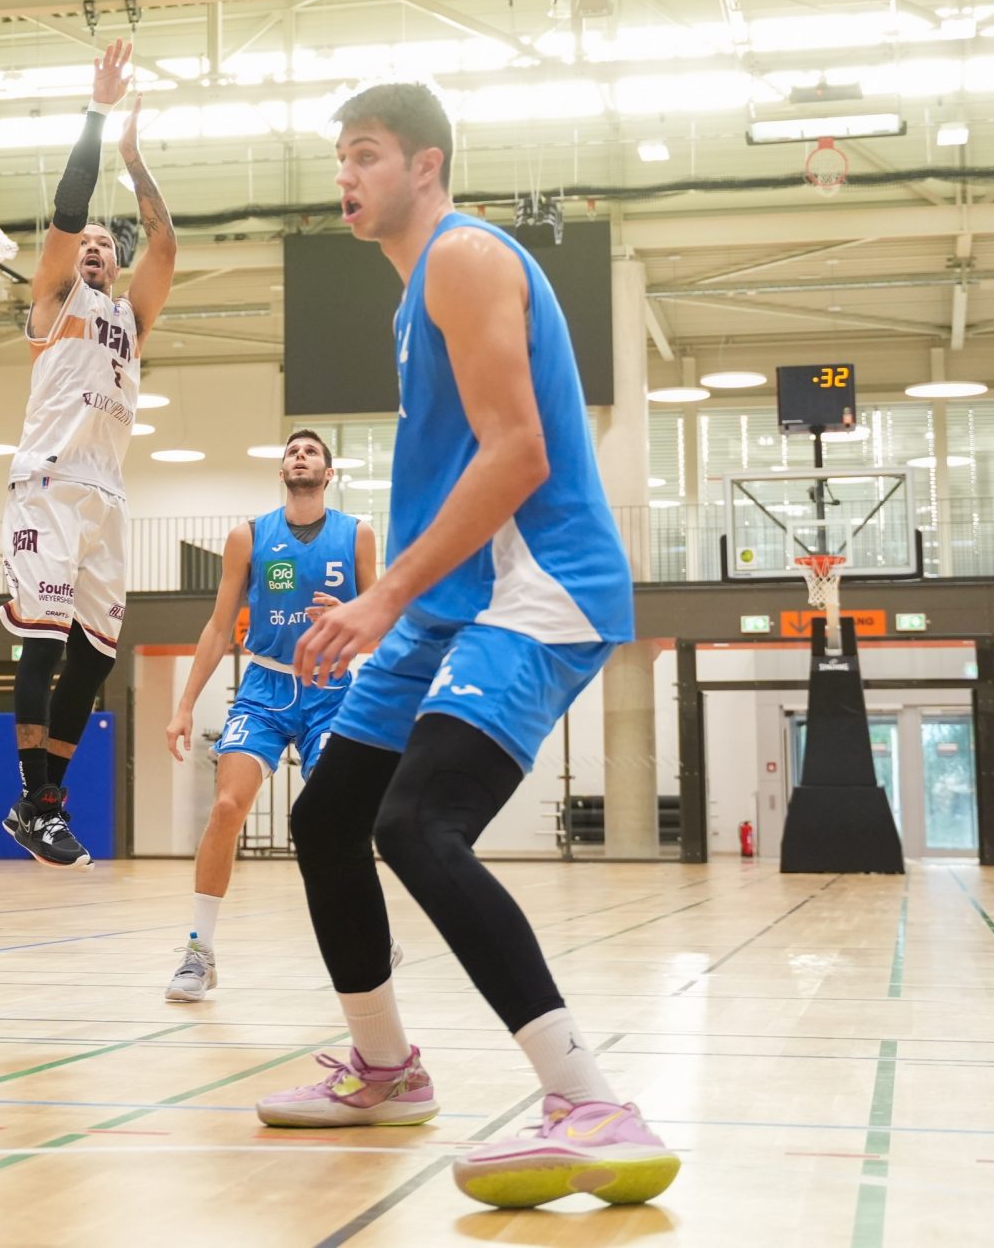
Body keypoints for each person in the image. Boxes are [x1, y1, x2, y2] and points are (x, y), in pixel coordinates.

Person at [252, 83, 676, 1213]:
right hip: (453, 596)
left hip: (535, 587)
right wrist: (404, 596)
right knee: (327, 818)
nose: (345, 175)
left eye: (366, 154)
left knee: (417, 825)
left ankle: (589, 1104)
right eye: (338, 157)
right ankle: (385, 1071)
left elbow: (521, 454)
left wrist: (382, 593)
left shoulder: (465, 257)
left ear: (424, 166)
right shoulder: (412, 298)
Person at [0, 38, 176, 868]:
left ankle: (47, 805)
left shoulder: (130, 321)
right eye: (87, 241)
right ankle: (34, 801)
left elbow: (165, 246)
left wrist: (137, 161)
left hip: (108, 495)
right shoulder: (52, 301)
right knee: (42, 642)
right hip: (49, 483)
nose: (95, 245)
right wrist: (100, 117)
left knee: (96, 661)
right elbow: (70, 204)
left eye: (108, 242)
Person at [163, 430, 376, 1001]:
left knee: (335, 818)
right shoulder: (249, 535)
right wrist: (184, 707)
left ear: (328, 474)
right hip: (263, 686)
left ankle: (366, 933)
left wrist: (352, 615)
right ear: (282, 469)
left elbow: (381, 625)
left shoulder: (357, 534)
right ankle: (198, 953)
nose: (299, 456)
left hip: (331, 689)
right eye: (292, 451)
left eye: (310, 452)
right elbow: (216, 627)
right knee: (227, 806)